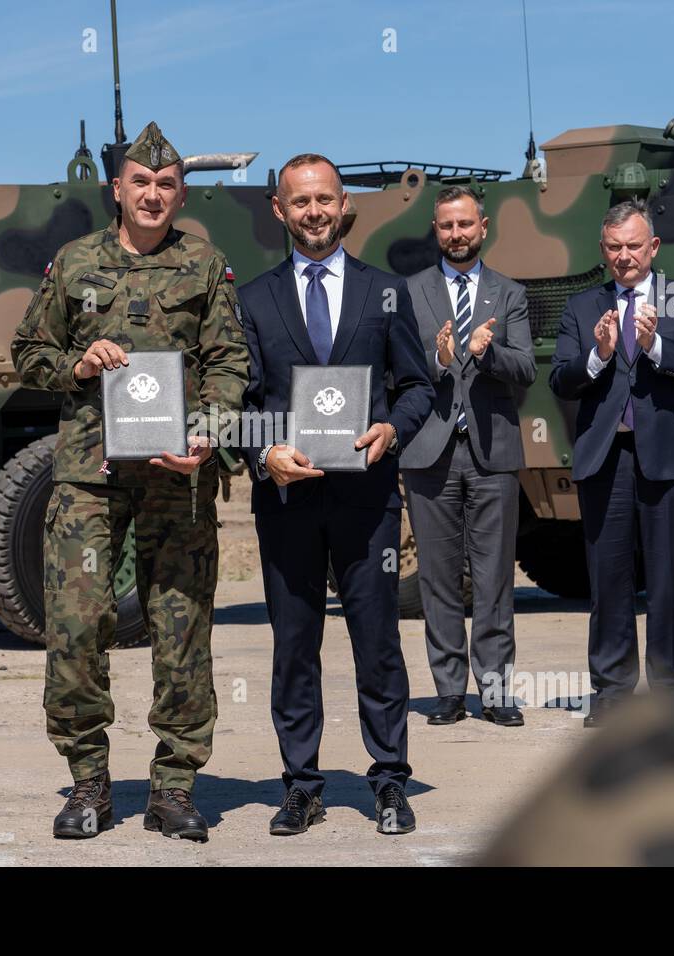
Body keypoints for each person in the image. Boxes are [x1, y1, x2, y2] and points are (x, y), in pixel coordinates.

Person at [11, 122, 248, 840]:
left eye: (167, 185)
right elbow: (27, 352)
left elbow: (230, 364)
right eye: (140, 183)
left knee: (181, 631)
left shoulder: (205, 266)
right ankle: (89, 783)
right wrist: (77, 365)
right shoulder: (75, 262)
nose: (153, 195)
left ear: (180, 195)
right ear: (118, 189)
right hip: (90, 474)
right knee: (78, 627)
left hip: (177, 480)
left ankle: (173, 787)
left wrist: (208, 431)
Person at [237, 153, 434, 836]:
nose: (314, 213)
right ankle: (302, 784)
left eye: (324, 200)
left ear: (343, 204)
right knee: (294, 645)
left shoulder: (386, 291)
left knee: (377, 642)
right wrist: (265, 454)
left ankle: (388, 781)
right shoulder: (253, 299)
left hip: (367, 497)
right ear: (279, 210)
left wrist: (392, 429)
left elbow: (416, 386)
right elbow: (239, 398)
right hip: (287, 501)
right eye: (300, 202)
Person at [549, 198, 674, 727]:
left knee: (671, 581)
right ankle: (612, 695)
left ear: (654, 248)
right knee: (609, 581)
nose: (625, 256)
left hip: (672, 459)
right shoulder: (581, 307)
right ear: (603, 250)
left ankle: (671, 694)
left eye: (634, 246)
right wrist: (598, 355)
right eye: (615, 247)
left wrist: (655, 345)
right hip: (607, 459)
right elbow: (559, 378)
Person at [399, 185, 536, 727]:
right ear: (437, 232)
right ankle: (450, 691)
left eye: (464, 225)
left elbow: (525, 368)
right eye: (445, 227)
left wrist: (488, 352)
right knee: (437, 577)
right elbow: (398, 374)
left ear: (483, 227)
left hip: (491, 452)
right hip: (430, 451)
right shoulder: (409, 293)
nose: (456, 234)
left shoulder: (509, 293)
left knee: (494, 577)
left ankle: (497, 693)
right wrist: (439, 357)